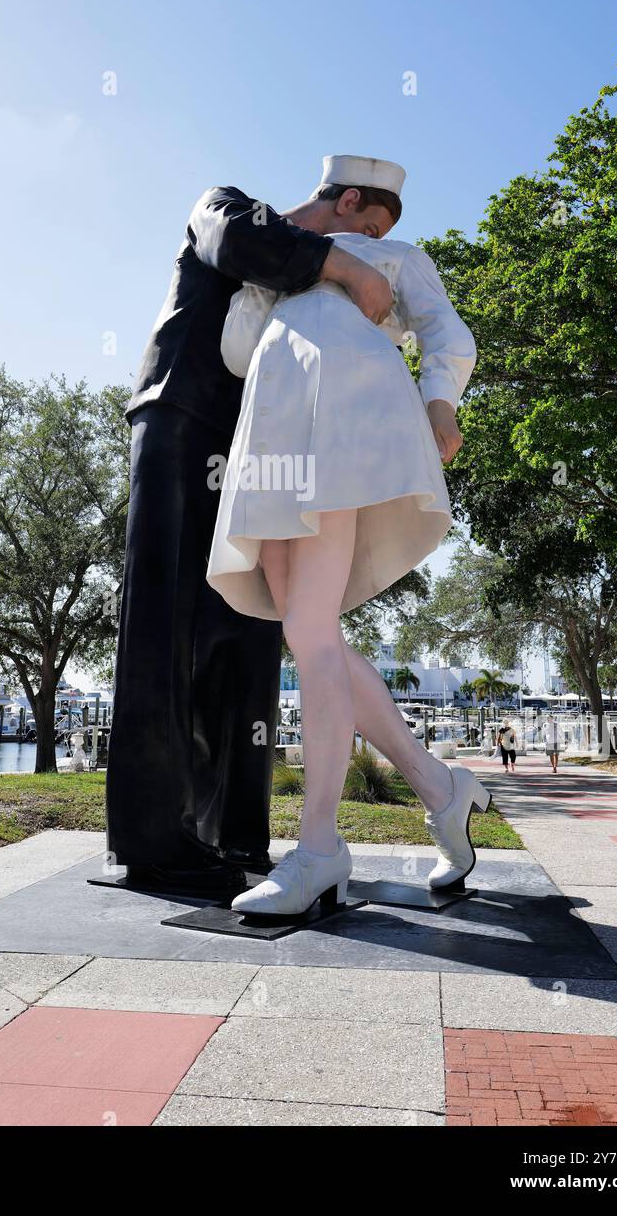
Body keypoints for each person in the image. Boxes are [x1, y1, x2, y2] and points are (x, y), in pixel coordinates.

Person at [106, 159, 401, 898]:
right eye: (364, 229)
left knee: (256, 625)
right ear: (348, 200)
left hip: (257, 447)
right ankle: (152, 840)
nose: (365, 248)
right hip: (180, 419)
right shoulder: (226, 203)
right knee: (163, 620)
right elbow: (234, 238)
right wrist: (347, 270)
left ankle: (236, 830)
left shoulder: (313, 287)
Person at [205, 155, 491, 916]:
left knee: (312, 632)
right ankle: (439, 787)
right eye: (370, 222)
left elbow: (444, 332)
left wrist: (440, 403)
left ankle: (321, 847)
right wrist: (264, 282)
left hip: (345, 415)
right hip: (270, 428)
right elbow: (237, 353)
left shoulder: (396, 258)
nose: (373, 235)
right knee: (310, 631)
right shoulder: (281, 259)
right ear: (351, 200)